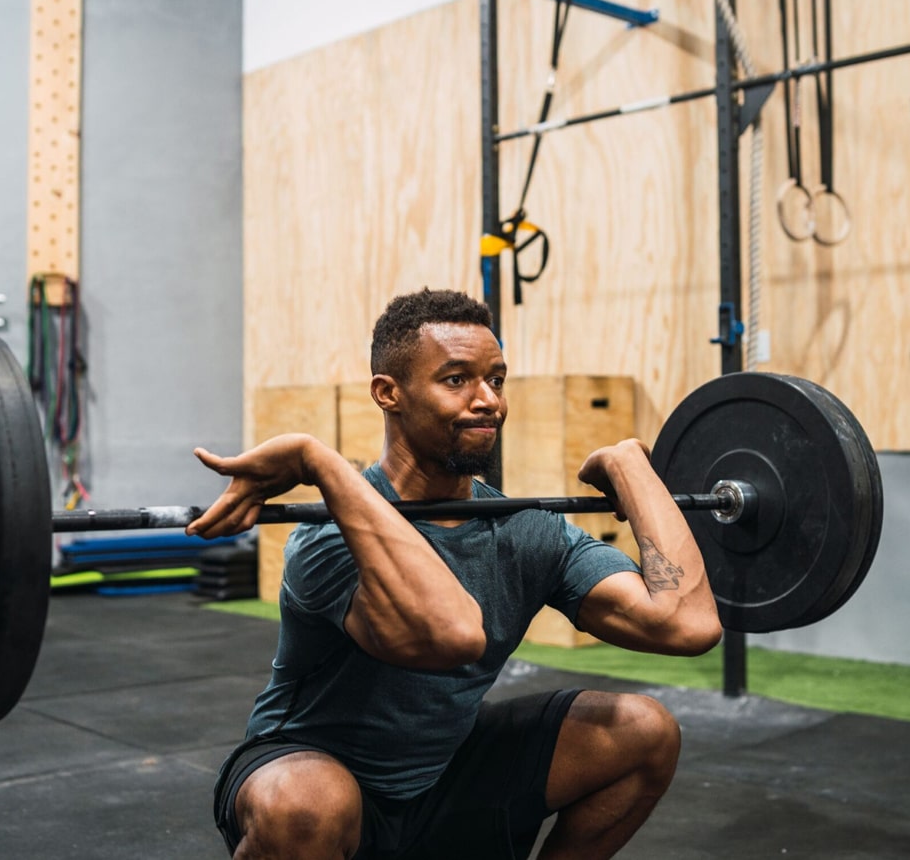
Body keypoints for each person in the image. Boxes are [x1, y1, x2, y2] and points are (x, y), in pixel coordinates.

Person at [188, 289, 723, 860]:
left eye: (497, 378)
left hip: (443, 772)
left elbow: (686, 625)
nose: (487, 400)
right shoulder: (327, 536)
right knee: (305, 806)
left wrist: (631, 467)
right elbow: (450, 635)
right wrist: (319, 462)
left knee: (644, 732)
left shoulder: (523, 531)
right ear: (387, 393)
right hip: (312, 771)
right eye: (457, 380)